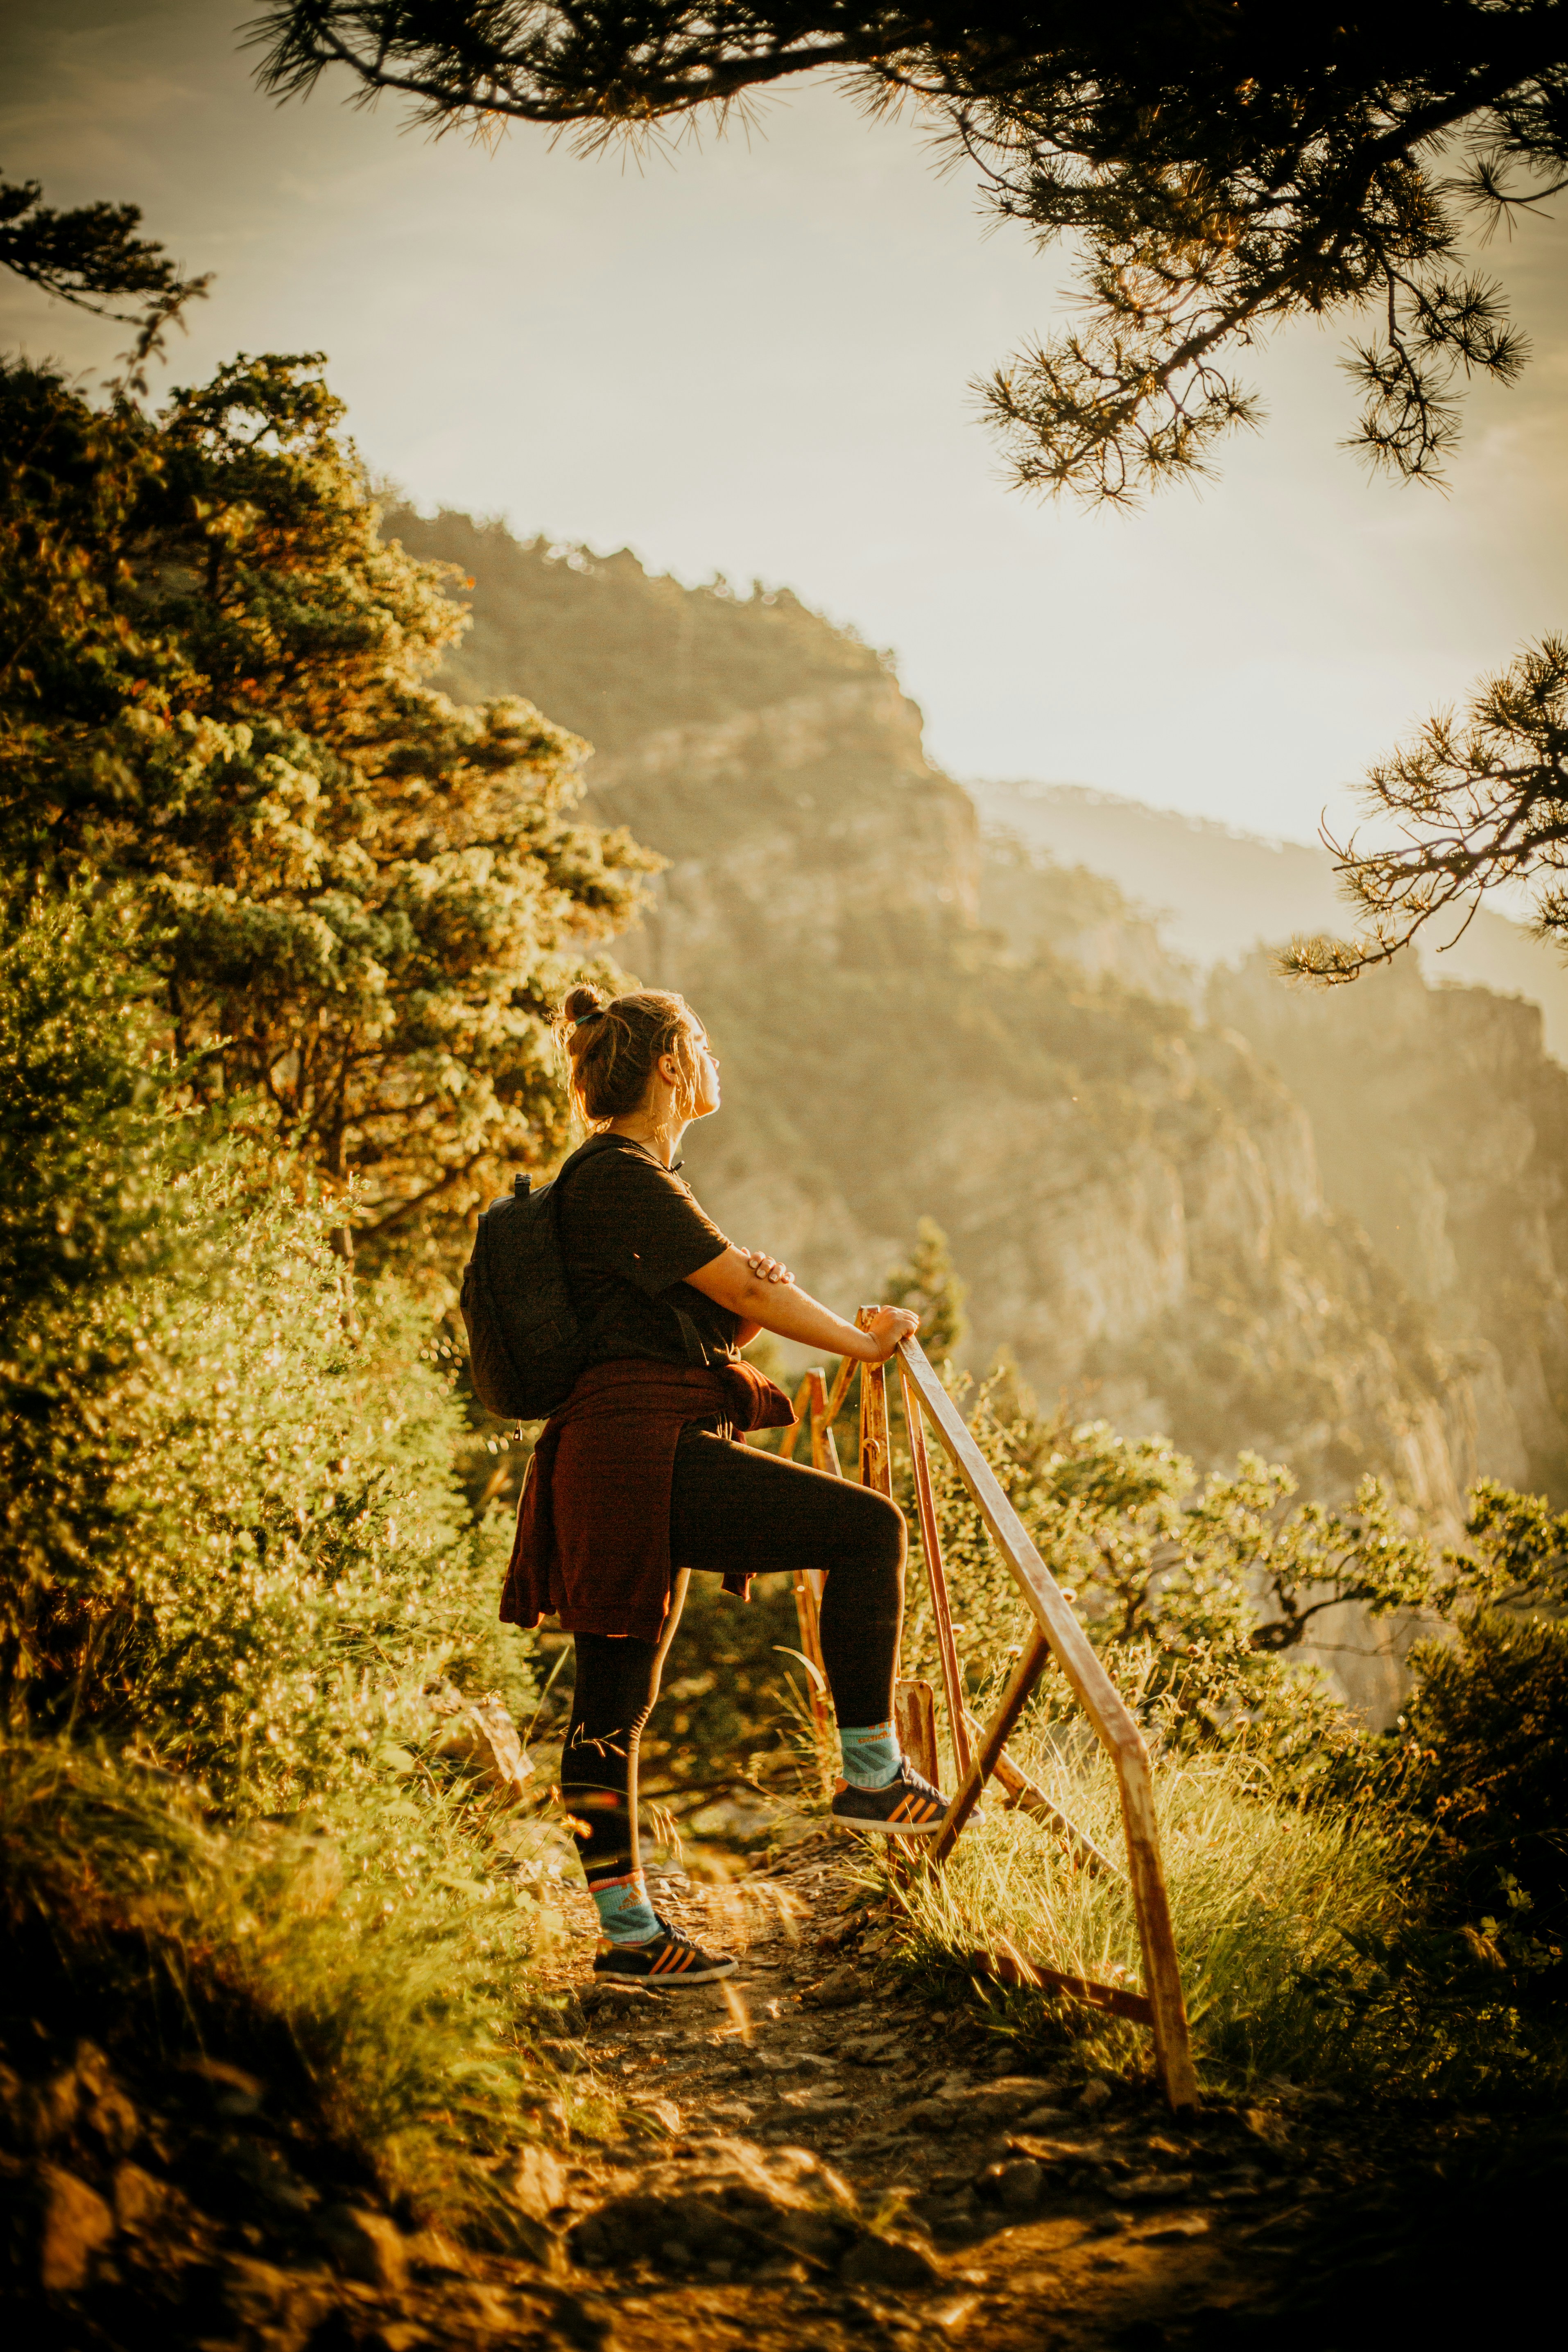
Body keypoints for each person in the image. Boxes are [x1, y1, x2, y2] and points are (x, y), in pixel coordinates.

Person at [501, 984, 947, 1986]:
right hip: (637, 1449)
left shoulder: (617, 1179)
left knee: (615, 1696)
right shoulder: (620, 1174)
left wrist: (733, 1323)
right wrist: (865, 1342)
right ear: (668, 1064)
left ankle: (627, 1937)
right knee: (868, 1530)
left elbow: (700, 1307)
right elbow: (749, 1288)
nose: (712, 1061)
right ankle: (872, 1774)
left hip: (616, 1451)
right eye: (698, 1045)